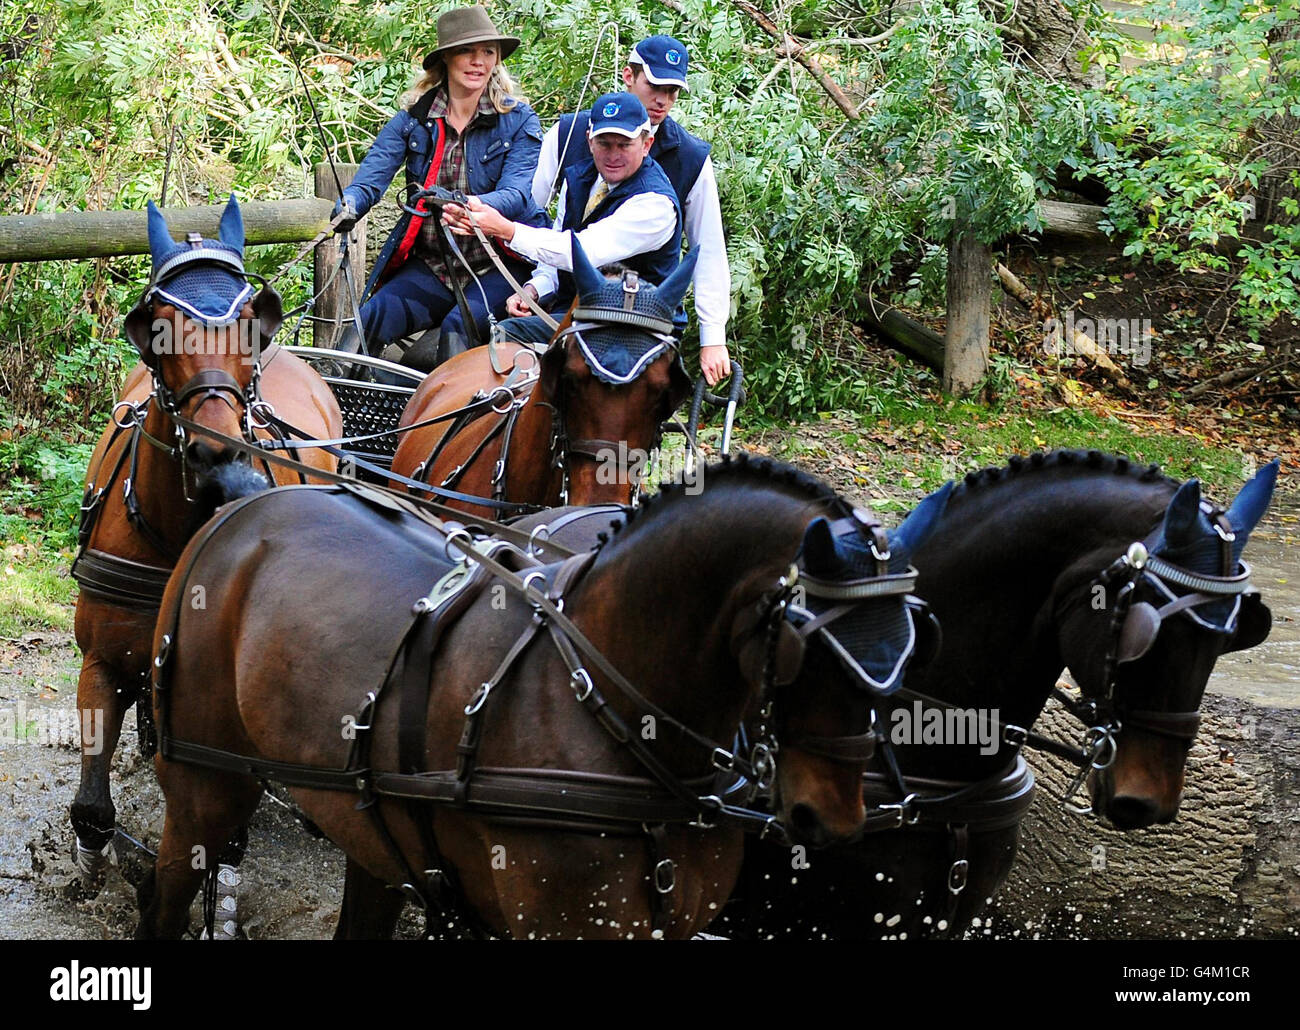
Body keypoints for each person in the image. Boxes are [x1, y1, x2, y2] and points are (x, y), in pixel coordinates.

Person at [331, 6, 546, 369]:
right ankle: (349, 415)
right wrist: (349, 203)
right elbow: (372, 177)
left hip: (499, 266)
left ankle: (456, 424)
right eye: (467, 51)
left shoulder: (518, 120)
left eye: (488, 52)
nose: (479, 62)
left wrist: (465, 204)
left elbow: (516, 195)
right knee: (366, 322)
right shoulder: (413, 119)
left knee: (456, 331)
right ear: (446, 57)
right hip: (433, 267)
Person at [530, 35, 732, 385]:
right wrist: (537, 283)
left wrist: (712, 337)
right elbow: (535, 211)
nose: (663, 100)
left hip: (645, 310)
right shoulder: (569, 133)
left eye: (673, 91)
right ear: (629, 76)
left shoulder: (690, 157)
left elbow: (709, 248)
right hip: (569, 298)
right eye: (655, 85)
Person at [442, 91, 683, 346]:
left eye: (624, 145)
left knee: (509, 334)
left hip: (637, 325)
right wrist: (534, 289)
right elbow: (557, 250)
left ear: (646, 145)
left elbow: (580, 252)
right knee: (497, 328)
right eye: (604, 143)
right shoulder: (580, 177)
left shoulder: (656, 203)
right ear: (590, 141)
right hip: (579, 313)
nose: (613, 155)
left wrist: (506, 230)